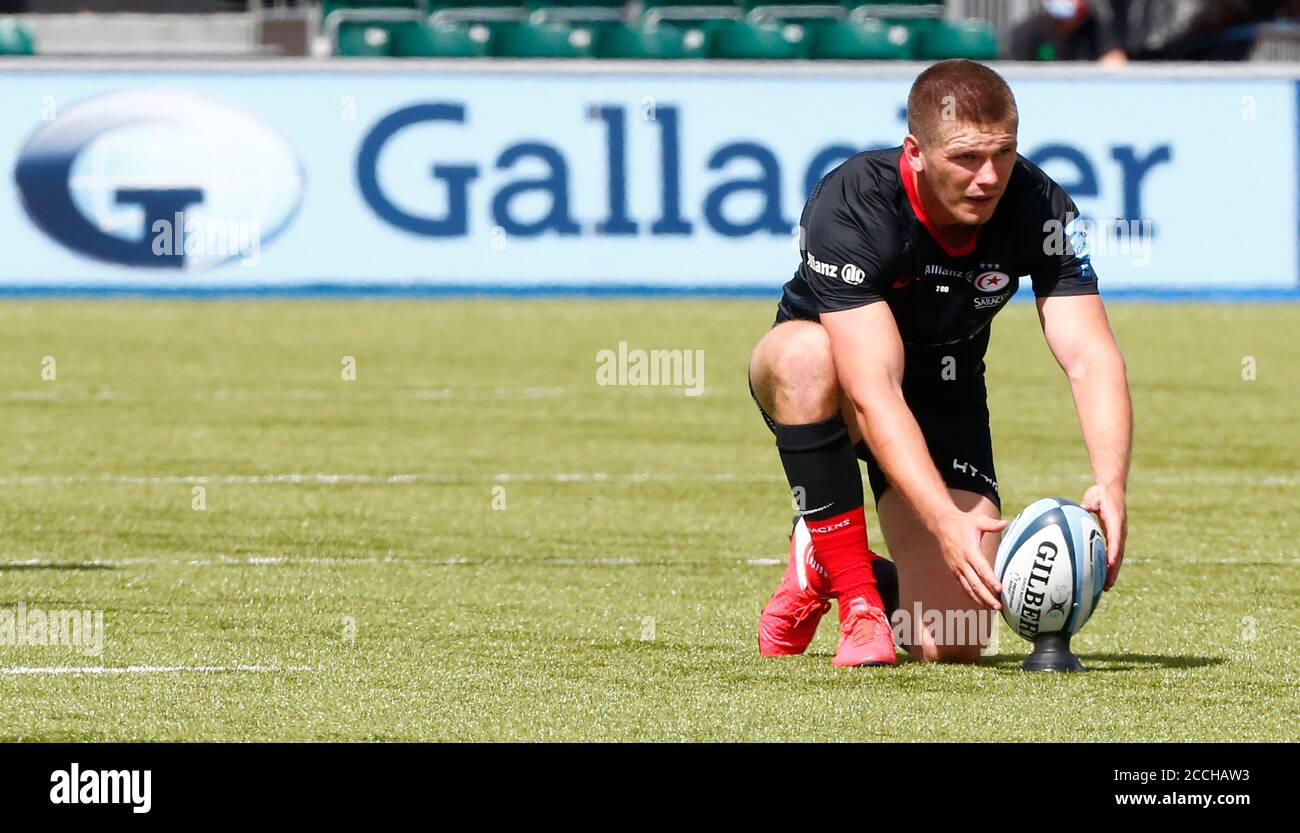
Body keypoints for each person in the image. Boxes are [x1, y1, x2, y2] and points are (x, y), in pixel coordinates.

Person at [749, 60, 1132, 667]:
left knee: (953, 636)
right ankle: (859, 605)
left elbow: (1090, 355)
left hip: (946, 388)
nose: (988, 177)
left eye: (1002, 154)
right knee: (806, 355)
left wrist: (1111, 482)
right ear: (916, 151)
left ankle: (824, 550)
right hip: (839, 386)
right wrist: (942, 521)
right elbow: (874, 391)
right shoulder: (854, 200)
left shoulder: (1040, 206)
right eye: (965, 158)